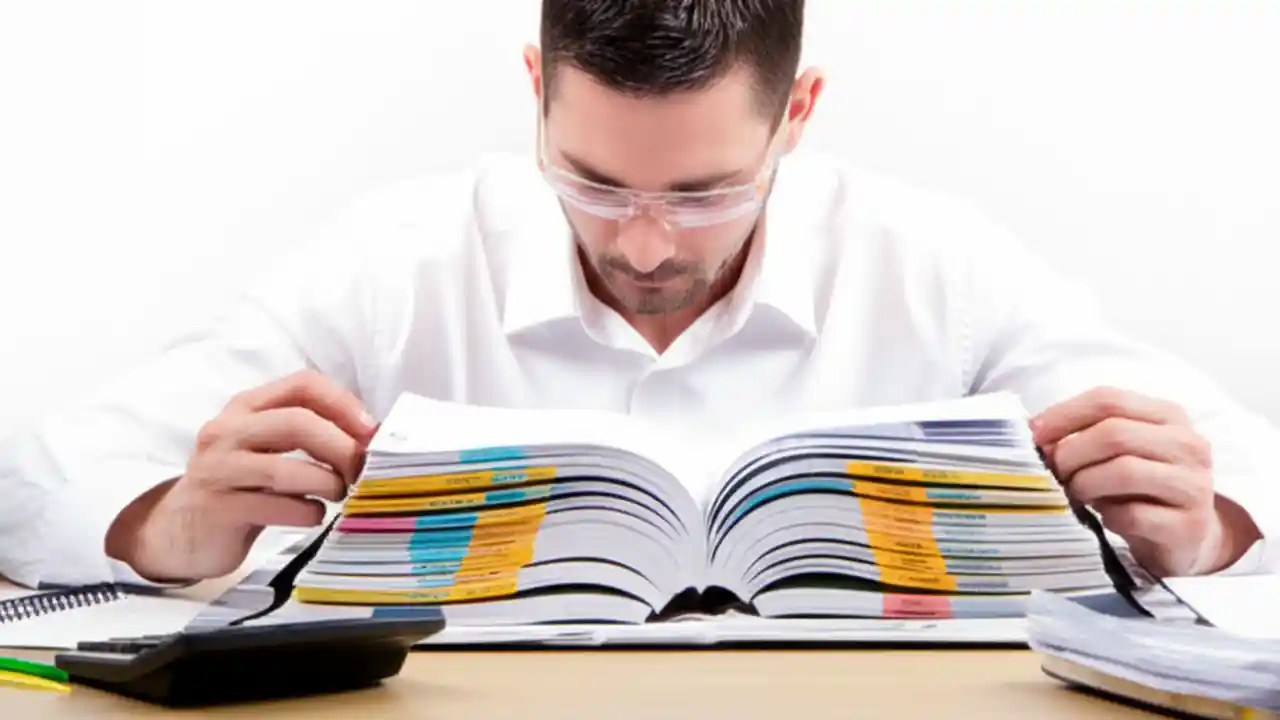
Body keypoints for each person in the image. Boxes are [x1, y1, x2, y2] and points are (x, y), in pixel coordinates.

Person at [0, 0, 1273, 590]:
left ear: (799, 115)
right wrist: (164, 526)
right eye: (592, 181)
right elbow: (41, 483)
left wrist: (1202, 525)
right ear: (533, 89)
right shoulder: (395, 260)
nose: (650, 243)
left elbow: (1250, 479)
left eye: (710, 190)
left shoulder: (932, 261)